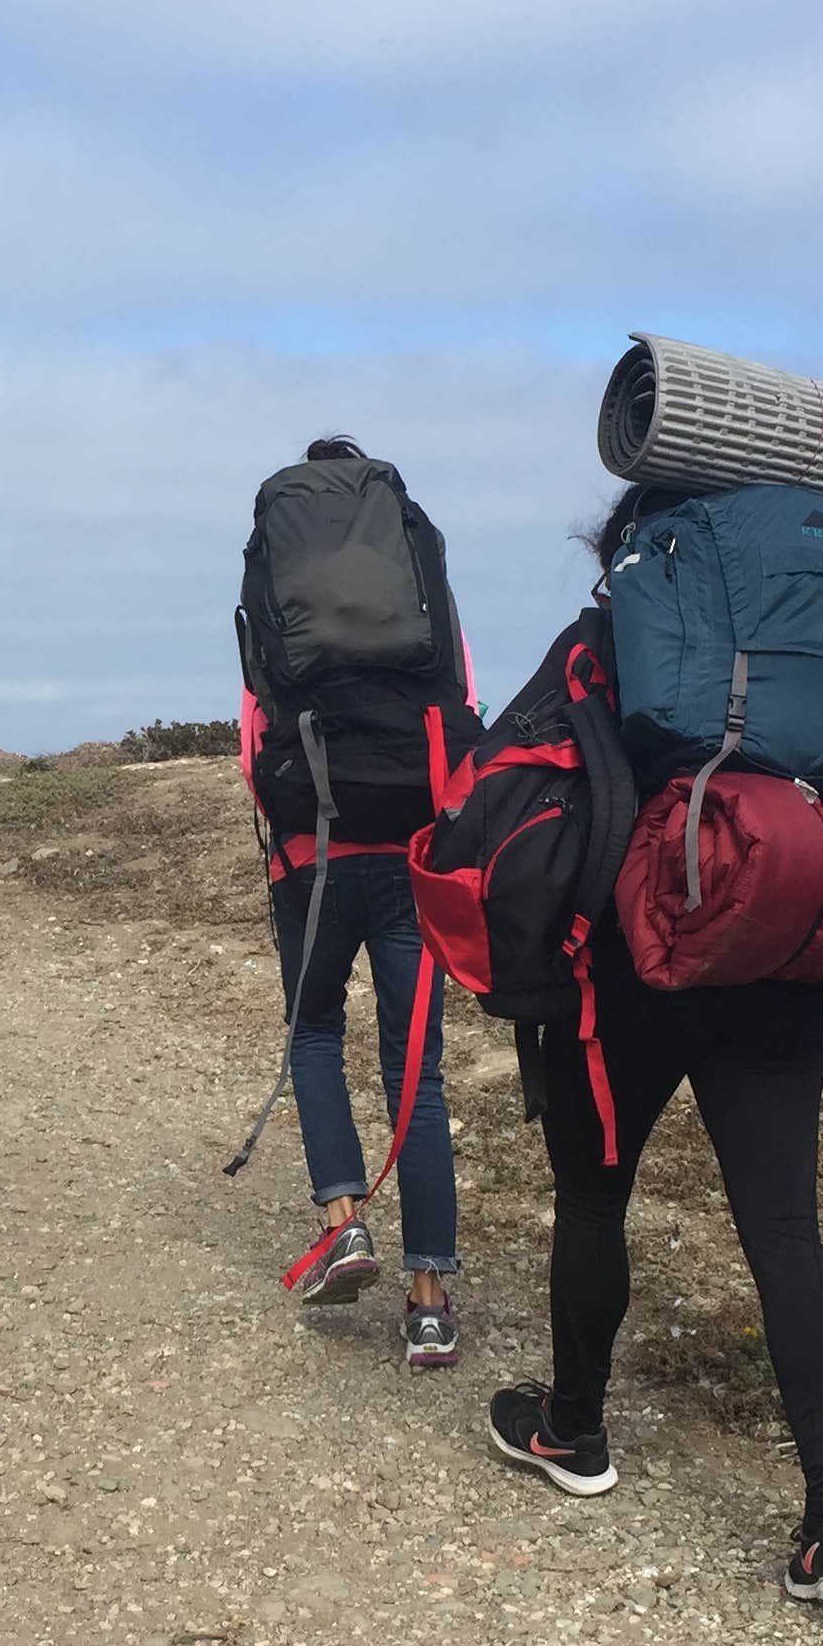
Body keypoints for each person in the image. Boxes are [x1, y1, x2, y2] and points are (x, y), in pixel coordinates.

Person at [487, 488, 823, 1603]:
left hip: (638, 955)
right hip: (788, 938)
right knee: (785, 1228)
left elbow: (511, 761)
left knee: (595, 1197)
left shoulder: (623, 622)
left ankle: (575, 1431)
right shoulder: (812, 629)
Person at [239, 435, 468, 1367]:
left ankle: (345, 1222)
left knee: (316, 1035)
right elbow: (457, 709)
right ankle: (429, 1301)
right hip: (412, 859)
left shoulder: (278, 587)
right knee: (418, 1076)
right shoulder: (417, 583)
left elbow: (258, 726)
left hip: (312, 855)